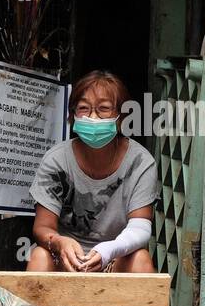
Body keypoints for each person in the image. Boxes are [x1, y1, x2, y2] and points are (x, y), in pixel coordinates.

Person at [28, 70, 157, 277]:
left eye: (104, 109)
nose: (93, 117)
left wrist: (108, 251)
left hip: (115, 259)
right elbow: (42, 227)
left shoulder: (140, 162)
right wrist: (59, 243)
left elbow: (140, 228)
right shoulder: (57, 160)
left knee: (141, 260)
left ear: (121, 116)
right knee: (39, 257)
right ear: (72, 115)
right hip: (66, 260)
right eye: (84, 108)